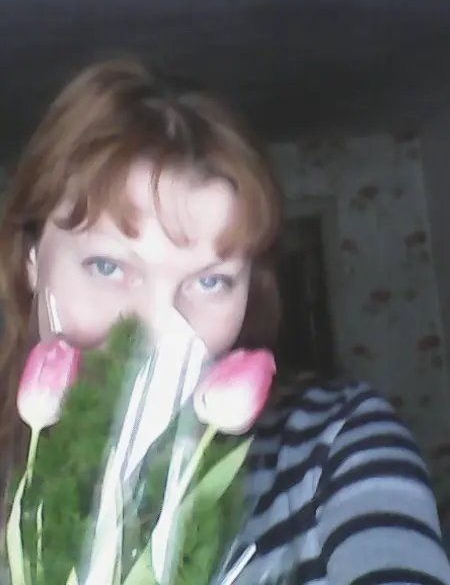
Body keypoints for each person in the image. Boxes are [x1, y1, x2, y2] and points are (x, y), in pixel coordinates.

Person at [0, 58, 449, 583]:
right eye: (108, 267)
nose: (157, 332)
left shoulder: (335, 446)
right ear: (32, 260)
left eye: (210, 281)